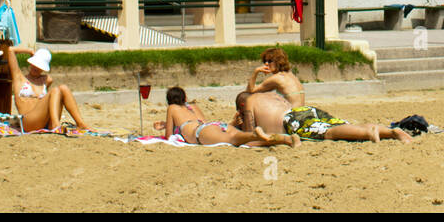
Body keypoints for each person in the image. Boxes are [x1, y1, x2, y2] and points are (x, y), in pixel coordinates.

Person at [234, 47, 411, 143]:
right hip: (309, 110)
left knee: (330, 133)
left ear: (277, 62)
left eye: (269, 61)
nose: (266, 64)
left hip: (295, 117)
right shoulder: (290, 75)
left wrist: (256, 72)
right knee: (343, 124)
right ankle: (389, 132)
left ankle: (372, 132)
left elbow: (250, 93)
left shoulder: (275, 80)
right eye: (264, 62)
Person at [153, 86, 296, 147]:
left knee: (237, 140)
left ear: (170, 100)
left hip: (200, 133)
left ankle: (257, 135)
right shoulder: (193, 107)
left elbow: (169, 136)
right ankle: (285, 139)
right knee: (246, 142)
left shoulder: (172, 108)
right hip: (213, 126)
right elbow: (204, 123)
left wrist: (166, 126)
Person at [2, 45, 92, 132]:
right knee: (55, 90)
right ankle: (55, 125)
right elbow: (11, 50)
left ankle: (80, 123)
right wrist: (30, 51)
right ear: (31, 63)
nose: (36, 68)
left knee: (63, 88)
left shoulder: (46, 80)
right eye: (35, 64)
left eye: (39, 66)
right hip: (28, 122)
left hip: (44, 121)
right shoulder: (19, 78)